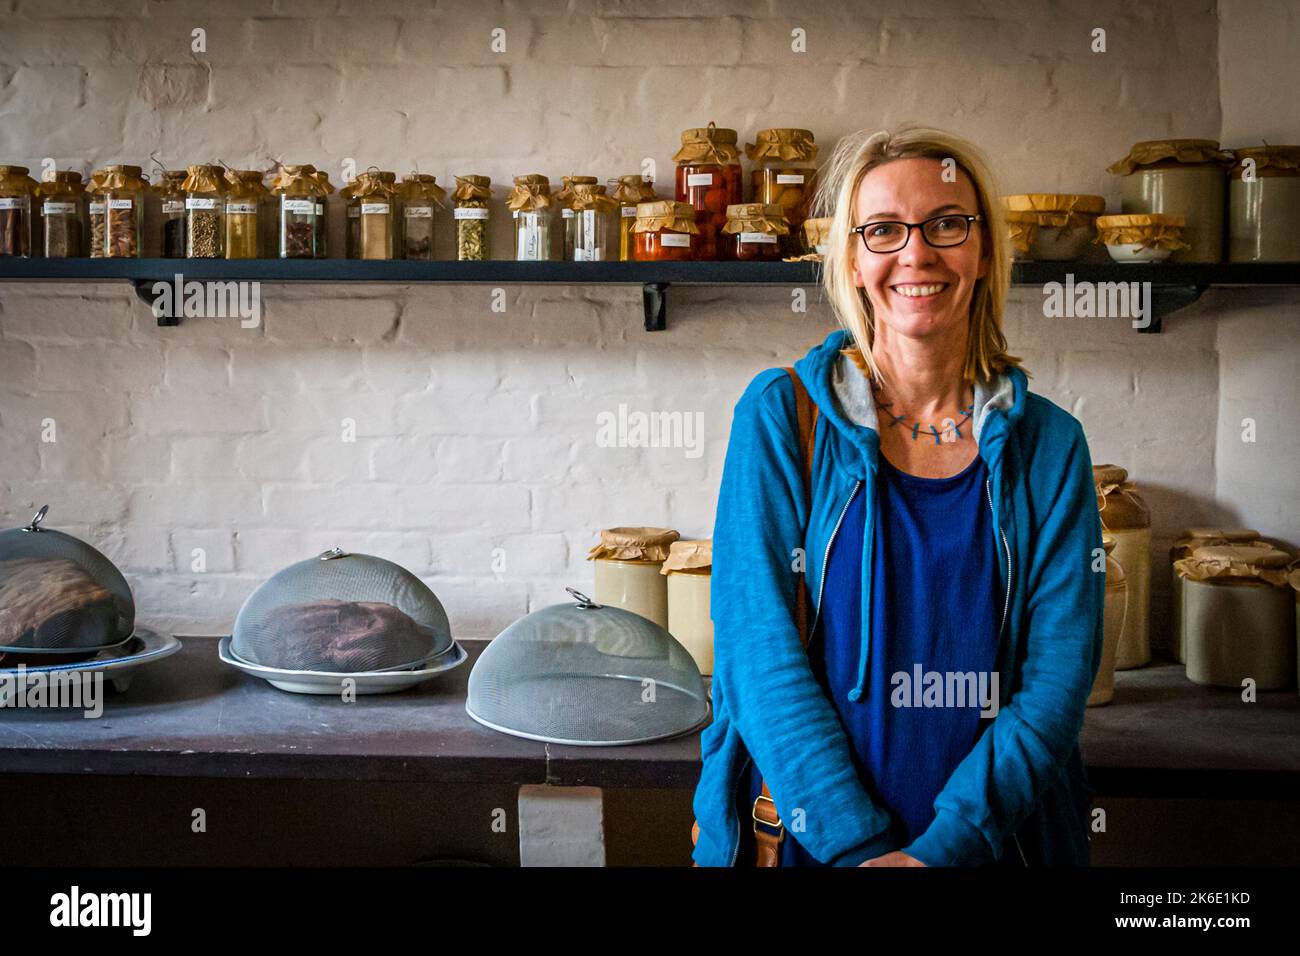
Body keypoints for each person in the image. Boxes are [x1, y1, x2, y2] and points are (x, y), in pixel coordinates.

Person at [691, 126, 1104, 867]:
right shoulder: (785, 418)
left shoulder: (1052, 446)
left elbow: (1055, 685)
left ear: (982, 253)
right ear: (852, 258)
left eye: (947, 224)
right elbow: (758, 657)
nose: (916, 253)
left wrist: (940, 853)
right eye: (883, 230)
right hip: (806, 845)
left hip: (1000, 848)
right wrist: (858, 848)